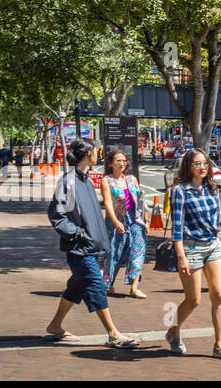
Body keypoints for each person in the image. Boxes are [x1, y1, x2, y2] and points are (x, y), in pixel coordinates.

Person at [44, 139, 140, 348]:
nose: (99, 154)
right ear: (88, 154)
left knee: (76, 287)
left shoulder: (86, 180)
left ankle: (55, 326)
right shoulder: (69, 181)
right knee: (96, 285)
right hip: (80, 248)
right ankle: (113, 333)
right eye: (97, 151)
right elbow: (56, 214)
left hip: (90, 246)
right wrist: (78, 234)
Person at [166, 149, 221, 360]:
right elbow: (176, 227)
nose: (202, 167)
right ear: (188, 166)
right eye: (197, 164)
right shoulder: (180, 191)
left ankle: (219, 345)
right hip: (190, 248)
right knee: (193, 299)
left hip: (213, 245)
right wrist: (181, 255)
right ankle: (172, 331)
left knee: (218, 294)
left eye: (205, 163)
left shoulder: (212, 188)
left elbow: (216, 219)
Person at [100, 150, 148, 298]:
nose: (122, 164)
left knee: (137, 252)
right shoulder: (106, 180)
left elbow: (140, 200)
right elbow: (107, 202)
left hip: (135, 220)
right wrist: (115, 222)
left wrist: (145, 220)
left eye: (124, 161)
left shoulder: (132, 179)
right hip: (116, 220)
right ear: (110, 163)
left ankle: (134, 287)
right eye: (118, 161)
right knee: (114, 253)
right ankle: (108, 284)